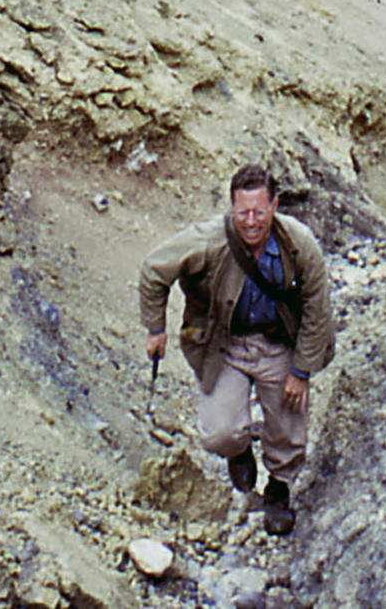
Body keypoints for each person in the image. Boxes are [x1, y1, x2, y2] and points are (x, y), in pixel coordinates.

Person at [139, 164, 334, 535]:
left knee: (289, 423)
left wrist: (301, 370)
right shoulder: (207, 239)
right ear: (231, 208)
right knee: (219, 433)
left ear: (274, 206)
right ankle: (239, 452)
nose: (251, 221)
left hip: (278, 342)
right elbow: (153, 270)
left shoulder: (298, 242)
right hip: (224, 345)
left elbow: (317, 307)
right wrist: (155, 329)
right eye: (243, 212)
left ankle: (278, 489)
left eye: (259, 211)